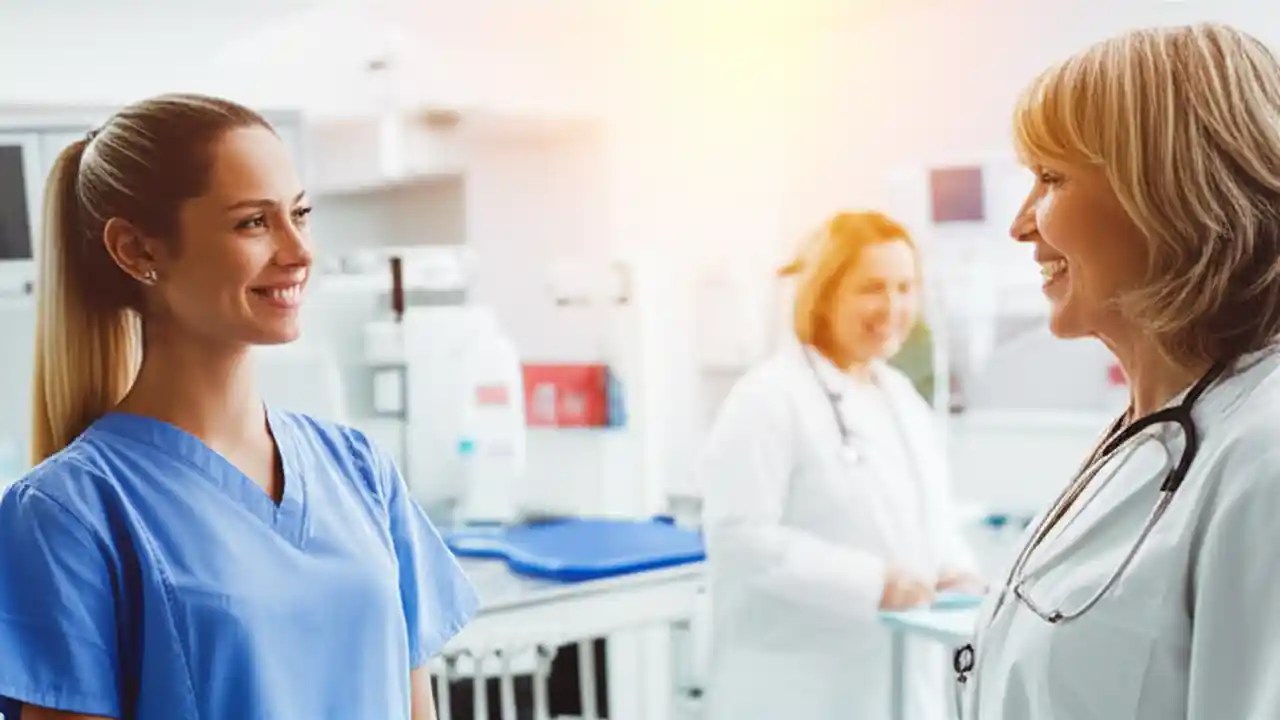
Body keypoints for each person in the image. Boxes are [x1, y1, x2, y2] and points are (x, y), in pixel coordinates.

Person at [0, 94, 478, 720]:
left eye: (300, 214)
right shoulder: (69, 514)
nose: (299, 250)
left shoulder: (359, 470)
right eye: (253, 222)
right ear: (138, 251)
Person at [959, 23, 1280, 719]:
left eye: (1050, 178)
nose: (1020, 224)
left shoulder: (1265, 455)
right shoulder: (1153, 433)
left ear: (1171, 194)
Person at [698, 210, 982, 720]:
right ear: (826, 293)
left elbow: (931, 518)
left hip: (892, 681)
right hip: (795, 687)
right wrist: (873, 582)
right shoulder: (768, 398)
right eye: (872, 287)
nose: (893, 307)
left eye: (905, 286)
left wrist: (954, 569)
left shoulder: (899, 397)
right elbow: (739, 538)